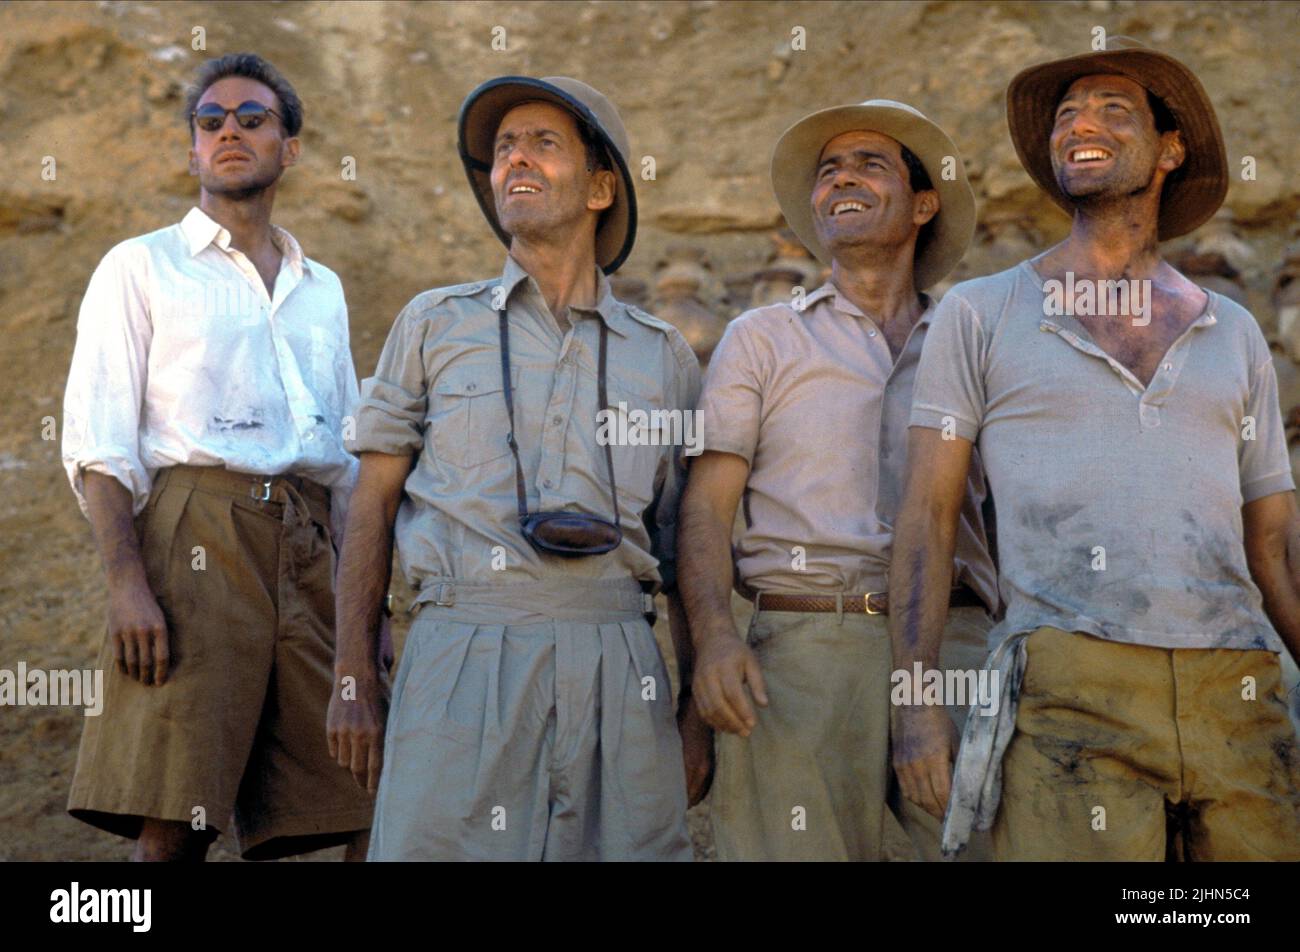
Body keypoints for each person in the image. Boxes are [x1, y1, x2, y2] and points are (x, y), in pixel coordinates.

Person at [891, 37, 1300, 860]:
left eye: (1115, 110)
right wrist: (915, 702)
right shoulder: (982, 313)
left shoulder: (1235, 330)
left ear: (1169, 150)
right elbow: (928, 520)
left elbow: (1274, 544)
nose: (1082, 124)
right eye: (1069, 115)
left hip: (1237, 685)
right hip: (1067, 684)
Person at [329, 75, 702, 861]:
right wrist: (353, 674)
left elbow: (686, 543)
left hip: (619, 655)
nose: (514, 161)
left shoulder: (662, 353)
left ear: (602, 186)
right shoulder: (434, 322)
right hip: (460, 649)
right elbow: (369, 508)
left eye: (542, 143)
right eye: (503, 149)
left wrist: (696, 706)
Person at [61, 53, 375, 861]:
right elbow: (100, 440)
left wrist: (360, 608)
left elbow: (344, 457)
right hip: (193, 535)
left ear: (291, 148)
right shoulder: (141, 265)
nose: (229, 130)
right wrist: (127, 583)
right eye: (210, 121)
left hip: (307, 544)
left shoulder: (324, 288)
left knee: (363, 791)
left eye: (252, 118)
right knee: (178, 817)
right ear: (192, 148)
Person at [679, 100, 997, 861]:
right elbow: (704, 510)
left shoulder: (980, 334)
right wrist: (718, 638)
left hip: (957, 643)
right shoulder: (761, 338)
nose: (841, 180)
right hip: (804, 646)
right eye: (828, 172)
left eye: (868, 164)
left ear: (924, 204)